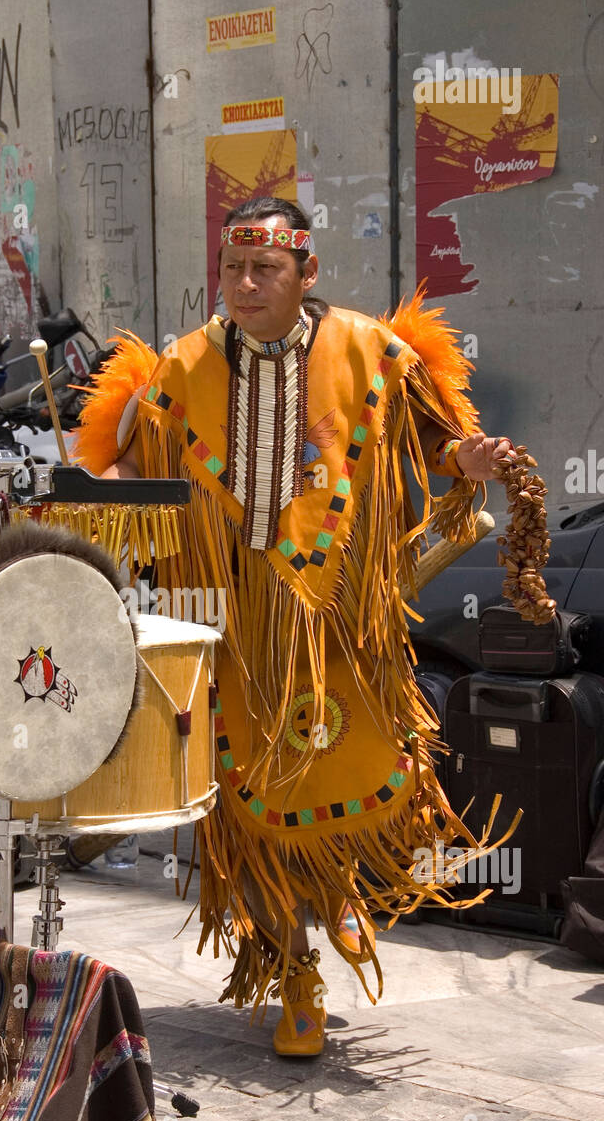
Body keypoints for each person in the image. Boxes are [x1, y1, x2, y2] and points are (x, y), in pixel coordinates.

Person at [75, 196, 518, 1057]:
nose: (245, 284)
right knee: (249, 794)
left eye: (265, 269)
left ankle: (344, 884)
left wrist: (467, 459)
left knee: (352, 756)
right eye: (233, 269)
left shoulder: (370, 351)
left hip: (336, 612)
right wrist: (101, 480)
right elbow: (131, 461)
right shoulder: (179, 368)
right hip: (229, 610)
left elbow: (432, 442)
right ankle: (294, 971)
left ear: (306, 273)